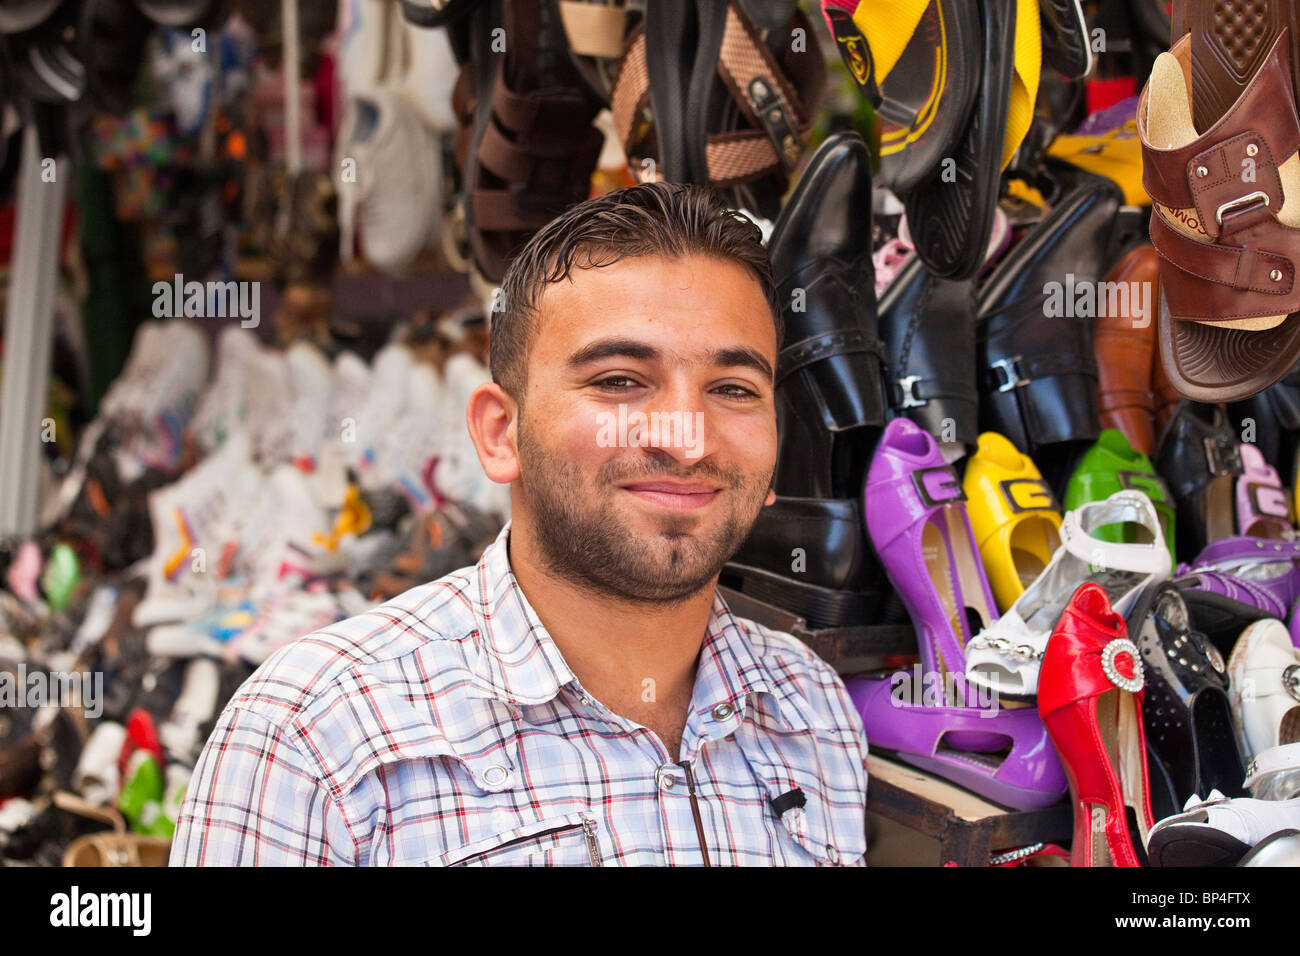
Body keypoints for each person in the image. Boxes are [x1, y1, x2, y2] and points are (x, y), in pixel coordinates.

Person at [170, 182, 869, 866]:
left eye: (733, 390)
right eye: (620, 380)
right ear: (501, 433)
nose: (687, 440)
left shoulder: (810, 711)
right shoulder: (314, 740)